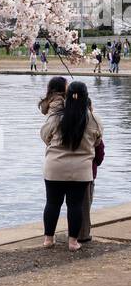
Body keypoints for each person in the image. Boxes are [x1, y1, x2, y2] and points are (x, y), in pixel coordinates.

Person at [41, 80, 104, 252]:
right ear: (86, 97)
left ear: (67, 97)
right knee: (75, 206)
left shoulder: (57, 117)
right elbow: (97, 140)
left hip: (55, 167)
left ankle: (48, 239)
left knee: (52, 203)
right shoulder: (94, 119)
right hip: (81, 170)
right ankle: (73, 242)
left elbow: (45, 135)